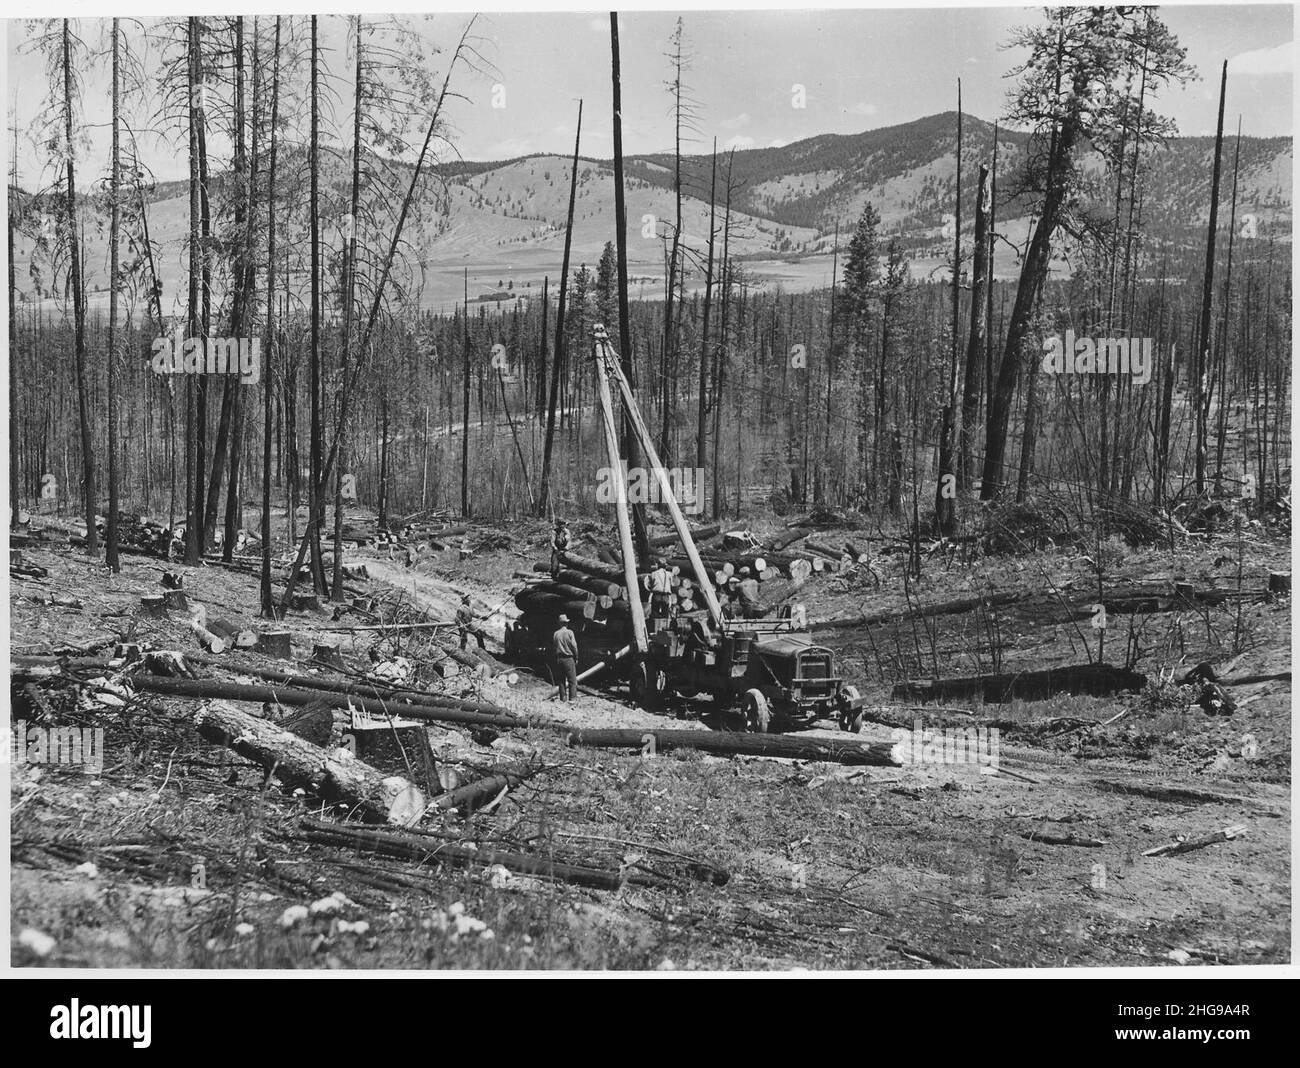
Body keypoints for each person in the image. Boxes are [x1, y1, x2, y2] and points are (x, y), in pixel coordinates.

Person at [551, 613, 579, 703]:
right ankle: (572, 699)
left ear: (559, 623)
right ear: (566, 623)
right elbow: (574, 646)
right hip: (568, 658)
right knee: (572, 680)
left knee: (561, 680)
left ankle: (562, 699)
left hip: (559, 659)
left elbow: (554, 647)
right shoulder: (570, 632)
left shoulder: (556, 633)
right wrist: (576, 657)